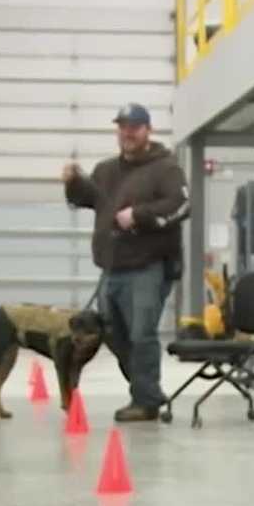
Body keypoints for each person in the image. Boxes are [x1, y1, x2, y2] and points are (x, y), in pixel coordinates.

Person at [61, 103, 190, 422]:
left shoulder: (166, 168)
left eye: (134, 127)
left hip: (149, 266)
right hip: (112, 267)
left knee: (142, 334)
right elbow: (88, 199)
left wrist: (140, 215)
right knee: (114, 334)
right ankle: (146, 389)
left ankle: (145, 401)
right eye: (123, 127)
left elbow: (182, 205)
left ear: (148, 130)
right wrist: (73, 183)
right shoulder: (107, 170)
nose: (127, 132)